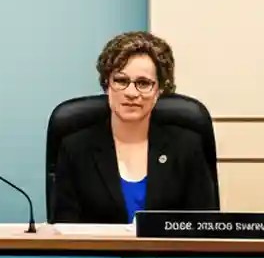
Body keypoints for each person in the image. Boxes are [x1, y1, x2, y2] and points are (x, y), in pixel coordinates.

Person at [52, 32, 217, 223]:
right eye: (121, 81)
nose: (131, 93)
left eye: (143, 83)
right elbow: (66, 230)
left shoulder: (186, 147)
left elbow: (205, 227)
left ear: (159, 90)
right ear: (107, 85)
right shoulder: (75, 149)